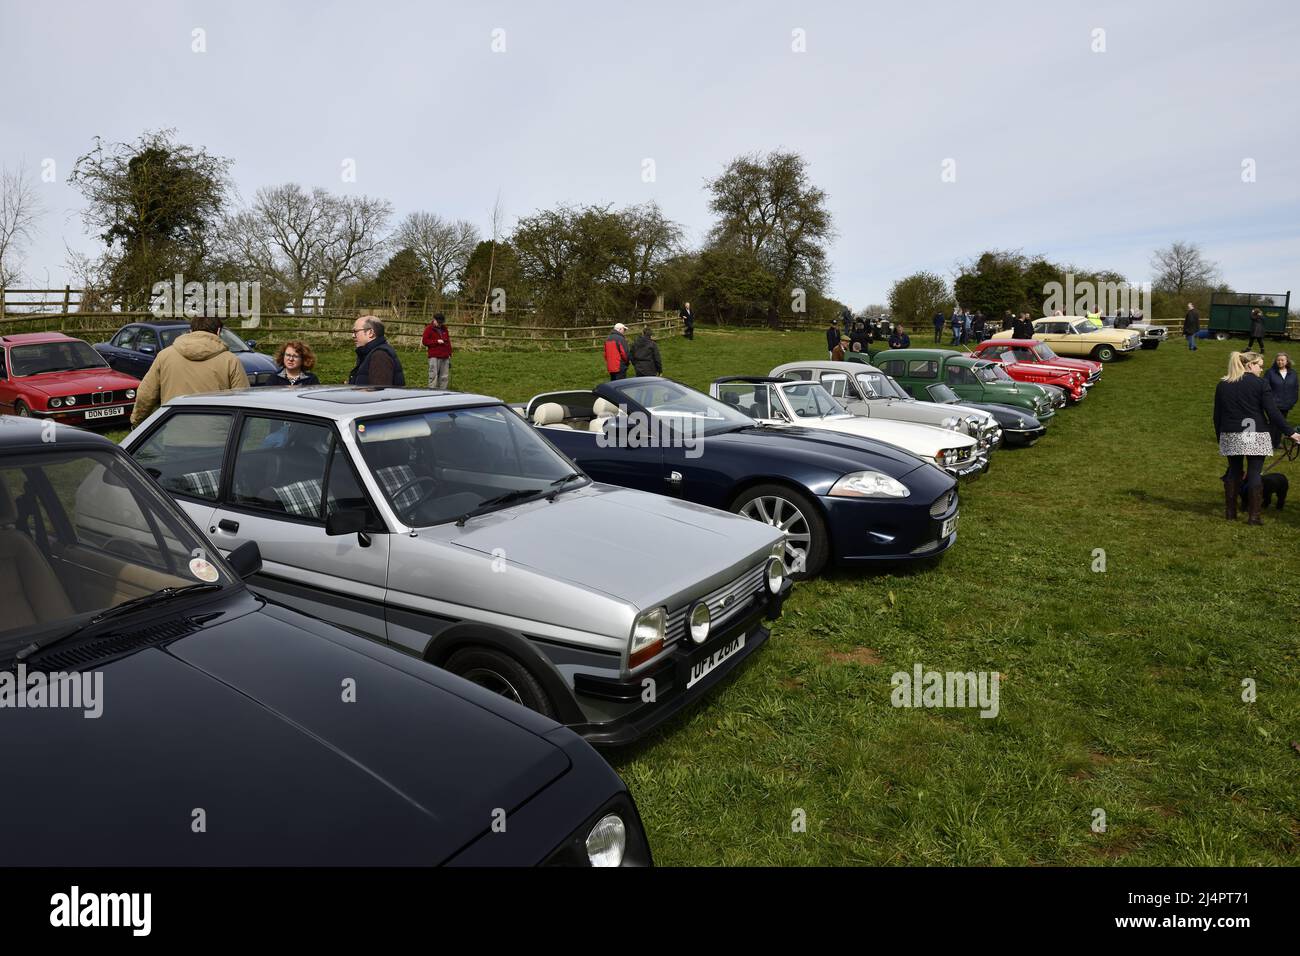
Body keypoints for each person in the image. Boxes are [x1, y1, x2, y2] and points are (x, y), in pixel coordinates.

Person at [1214, 351, 1299, 524]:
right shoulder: (1261, 384)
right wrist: (1291, 432)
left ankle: (1230, 514)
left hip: (1230, 433)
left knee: (1234, 472)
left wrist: (1220, 437)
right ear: (1250, 365)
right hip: (1255, 433)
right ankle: (1254, 517)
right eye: (1260, 366)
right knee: (1254, 474)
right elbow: (1273, 412)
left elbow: (1217, 416)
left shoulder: (1223, 384)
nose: (1261, 369)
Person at [131, 314, 250, 426]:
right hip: (217, 434)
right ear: (218, 331)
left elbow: (146, 394)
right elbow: (243, 399)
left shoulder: (165, 356)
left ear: (191, 330)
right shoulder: (230, 360)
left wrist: (137, 421)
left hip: (173, 429)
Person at [348, 315, 405, 386]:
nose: (353, 335)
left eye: (356, 331)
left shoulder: (380, 356)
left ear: (371, 333)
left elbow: (379, 393)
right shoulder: (367, 353)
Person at [1265, 352, 1297, 448]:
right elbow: (1265, 388)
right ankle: (1269, 444)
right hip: (1273, 404)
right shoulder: (1270, 373)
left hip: (1286, 404)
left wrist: (1293, 400)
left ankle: (1277, 443)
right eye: (1278, 360)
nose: (1280, 362)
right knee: (1273, 424)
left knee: (1281, 423)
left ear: (1287, 361)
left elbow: (1295, 388)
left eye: (1282, 360)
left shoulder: (1293, 373)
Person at [422, 312, 453, 389]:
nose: (440, 324)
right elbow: (425, 341)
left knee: (444, 376)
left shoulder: (444, 328)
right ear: (434, 320)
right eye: (438, 322)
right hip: (434, 356)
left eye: (441, 323)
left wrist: (449, 353)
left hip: (445, 356)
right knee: (433, 375)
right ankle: (432, 392)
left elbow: (448, 341)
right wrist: (436, 341)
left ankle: (443, 392)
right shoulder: (428, 329)